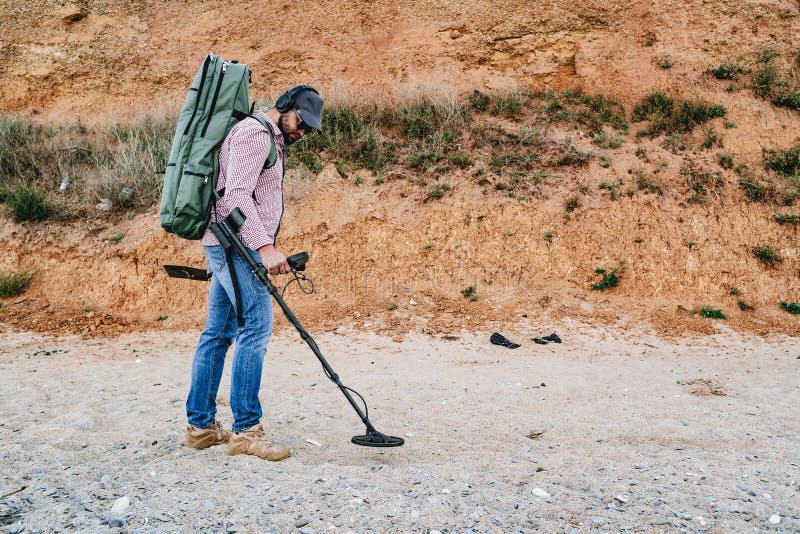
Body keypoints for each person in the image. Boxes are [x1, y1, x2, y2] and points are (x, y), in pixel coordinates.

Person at [182, 86, 324, 461]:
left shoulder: (269, 138)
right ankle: (246, 430)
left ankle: (200, 427)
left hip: (229, 243)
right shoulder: (255, 134)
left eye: (309, 129)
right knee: (256, 328)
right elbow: (234, 197)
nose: (302, 132)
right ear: (286, 108)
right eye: (302, 122)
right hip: (235, 246)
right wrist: (264, 247)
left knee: (218, 333)